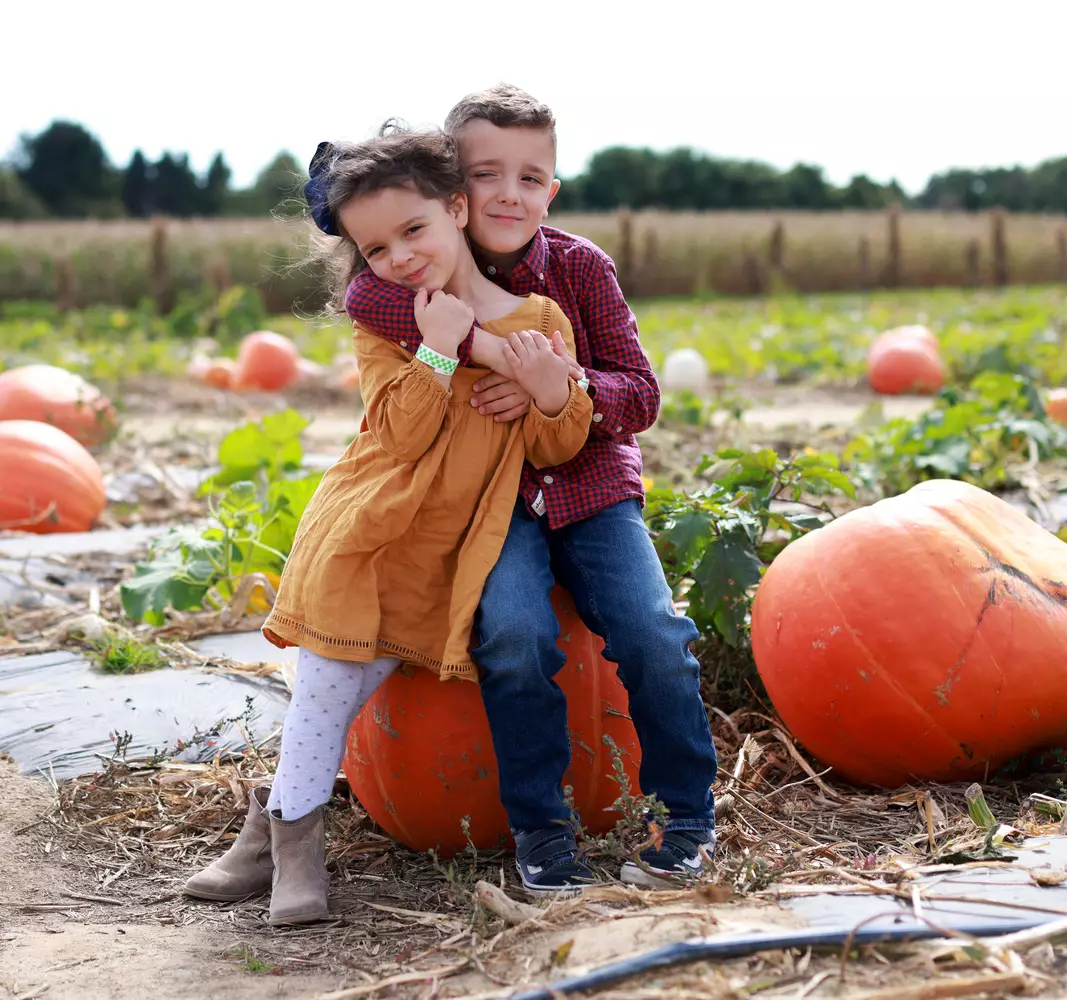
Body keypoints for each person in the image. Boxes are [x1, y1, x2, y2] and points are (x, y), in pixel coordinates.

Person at [182, 126, 593, 924]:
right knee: (330, 685)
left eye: (414, 231)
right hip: (372, 534)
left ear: (456, 208)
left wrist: (547, 392)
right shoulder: (389, 324)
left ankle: (262, 829)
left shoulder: (539, 315)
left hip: (445, 550)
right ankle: (296, 850)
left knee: (342, 693)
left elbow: (554, 443)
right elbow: (398, 434)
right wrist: (439, 355)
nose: (400, 257)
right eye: (376, 249)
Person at [343, 85, 719, 895]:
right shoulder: (413, 272)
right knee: (513, 639)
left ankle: (688, 818)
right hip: (490, 500)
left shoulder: (580, 269)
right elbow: (360, 294)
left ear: (553, 187)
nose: (509, 194)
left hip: (590, 483)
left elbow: (643, 395)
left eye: (531, 177)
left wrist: (560, 383)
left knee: (654, 634)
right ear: (453, 190)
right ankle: (543, 834)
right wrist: (489, 351)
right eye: (488, 174)